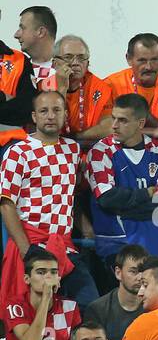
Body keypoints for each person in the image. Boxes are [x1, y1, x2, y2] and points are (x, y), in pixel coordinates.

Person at [0, 91, 97, 308]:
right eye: (44, 111)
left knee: (88, 306)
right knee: (33, 318)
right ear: (34, 117)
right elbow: (7, 205)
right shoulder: (18, 152)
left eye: (56, 110)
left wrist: (87, 228)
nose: (50, 116)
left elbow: (70, 195)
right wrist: (28, 254)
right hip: (32, 245)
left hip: (64, 247)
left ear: (65, 115)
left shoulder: (72, 149)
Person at [86, 93, 158, 266]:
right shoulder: (100, 151)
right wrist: (147, 192)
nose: (114, 126)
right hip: (118, 243)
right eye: (113, 118)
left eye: (122, 120)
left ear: (140, 123)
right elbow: (107, 199)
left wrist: (123, 207)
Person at [104, 34, 158, 139]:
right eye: (142, 60)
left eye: (154, 60)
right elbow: (107, 129)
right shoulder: (110, 85)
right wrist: (154, 132)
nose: (148, 67)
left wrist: (143, 116)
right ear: (129, 59)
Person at [83, 245, 147, 340]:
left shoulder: (155, 308)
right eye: (133, 271)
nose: (140, 277)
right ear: (118, 273)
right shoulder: (97, 309)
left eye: (143, 271)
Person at [51, 35, 114, 143]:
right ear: (54, 63)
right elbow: (51, 126)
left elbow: (108, 127)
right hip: (54, 146)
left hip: (89, 145)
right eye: (68, 57)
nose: (75, 63)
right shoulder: (42, 87)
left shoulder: (100, 88)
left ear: (87, 64)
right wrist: (62, 89)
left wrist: (74, 138)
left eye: (81, 58)